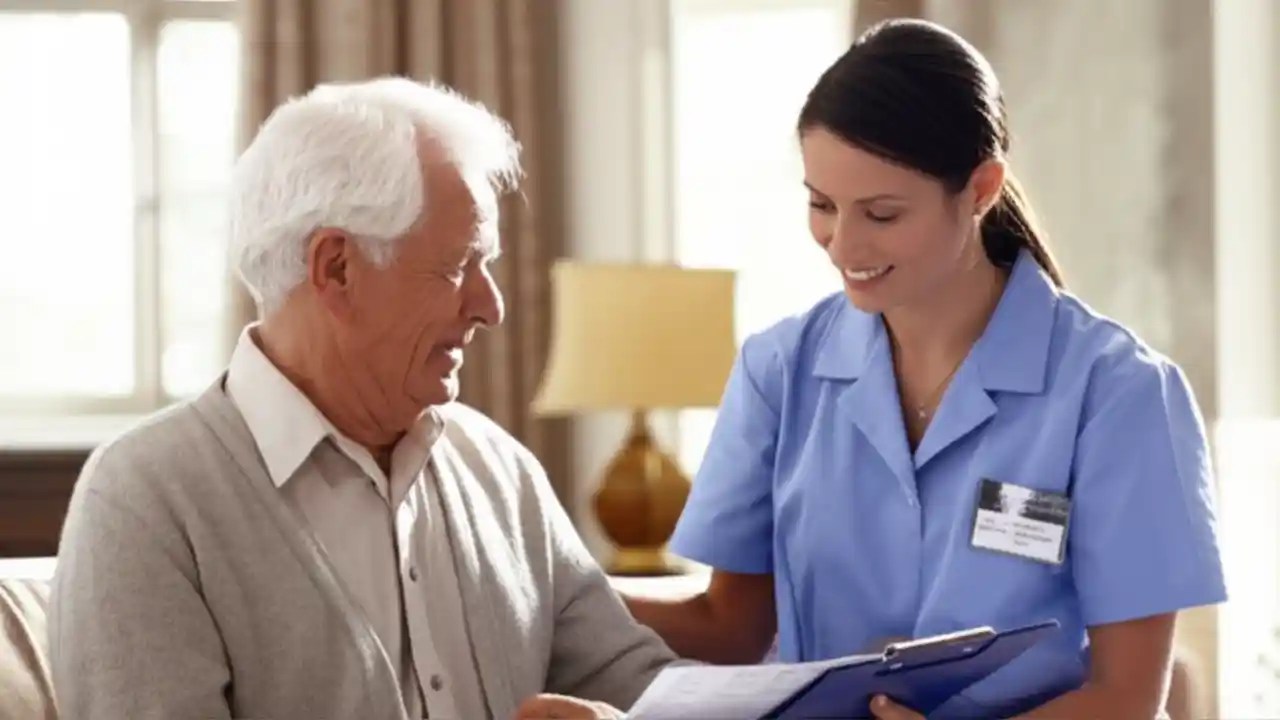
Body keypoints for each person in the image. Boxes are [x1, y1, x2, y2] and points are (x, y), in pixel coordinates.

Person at [623, 19, 1227, 720]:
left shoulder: (1118, 394)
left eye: (881, 214)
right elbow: (733, 626)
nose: (842, 244)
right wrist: (546, 582)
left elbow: (1126, 698)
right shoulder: (778, 370)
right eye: (822, 205)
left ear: (980, 189)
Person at [49, 77, 674, 720]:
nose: (491, 307)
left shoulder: (500, 471)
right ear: (337, 269)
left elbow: (642, 688)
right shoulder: (143, 501)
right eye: (459, 265)